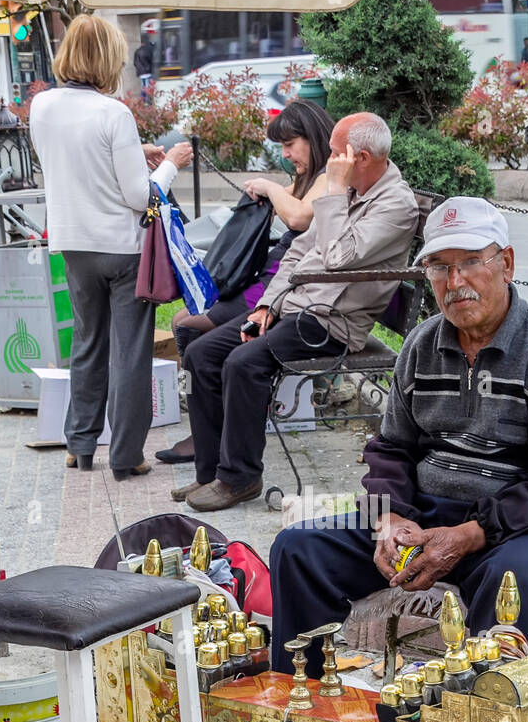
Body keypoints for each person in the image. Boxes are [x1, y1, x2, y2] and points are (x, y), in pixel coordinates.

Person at [269, 196, 528, 722]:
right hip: (427, 516)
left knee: (511, 577)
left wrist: (474, 533)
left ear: (505, 263)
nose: (455, 282)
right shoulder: (423, 345)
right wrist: (391, 519)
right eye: (438, 269)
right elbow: (391, 450)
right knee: (298, 548)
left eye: (470, 264)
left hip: (527, 525)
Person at [174, 111, 418, 512]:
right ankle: (212, 472)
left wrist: (334, 193)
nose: (330, 161)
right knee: (203, 353)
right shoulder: (352, 189)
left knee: (243, 362)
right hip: (296, 307)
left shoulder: (394, 205)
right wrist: (267, 305)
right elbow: (299, 252)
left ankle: (241, 478)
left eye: (337, 154)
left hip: (332, 321)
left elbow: (339, 257)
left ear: (361, 158)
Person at [29, 14, 194, 479]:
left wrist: (130, 151)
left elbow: (74, 159)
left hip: (73, 244)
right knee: (129, 353)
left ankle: (79, 445)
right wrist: (172, 163)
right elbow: (140, 196)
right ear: (108, 59)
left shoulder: (42, 106)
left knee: (86, 343)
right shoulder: (114, 112)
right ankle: (125, 456)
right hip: (123, 249)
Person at [157, 99, 335, 466]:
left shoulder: (329, 176)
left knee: (189, 330)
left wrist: (270, 188)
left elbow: (300, 217)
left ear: (313, 137)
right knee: (186, 327)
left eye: (290, 145)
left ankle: (210, 432)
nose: (287, 155)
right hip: (273, 277)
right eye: (282, 147)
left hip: (280, 287)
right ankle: (209, 431)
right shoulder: (310, 176)